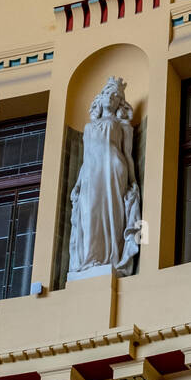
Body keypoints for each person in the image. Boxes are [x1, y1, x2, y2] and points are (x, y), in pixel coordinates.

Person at [68, 78, 141, 277]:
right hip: (91, 173)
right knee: (89, 213)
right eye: (108, 93)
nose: (111, 97)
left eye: (116, 95)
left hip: (114, 170)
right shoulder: (89, 127)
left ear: (120, 103)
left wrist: (133, 180)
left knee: (111, 214)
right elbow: (85, 159)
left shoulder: (122, 124)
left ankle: (110, 258)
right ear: (100, 98)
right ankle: (90, 260)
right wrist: (77, 184)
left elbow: (127, 154)